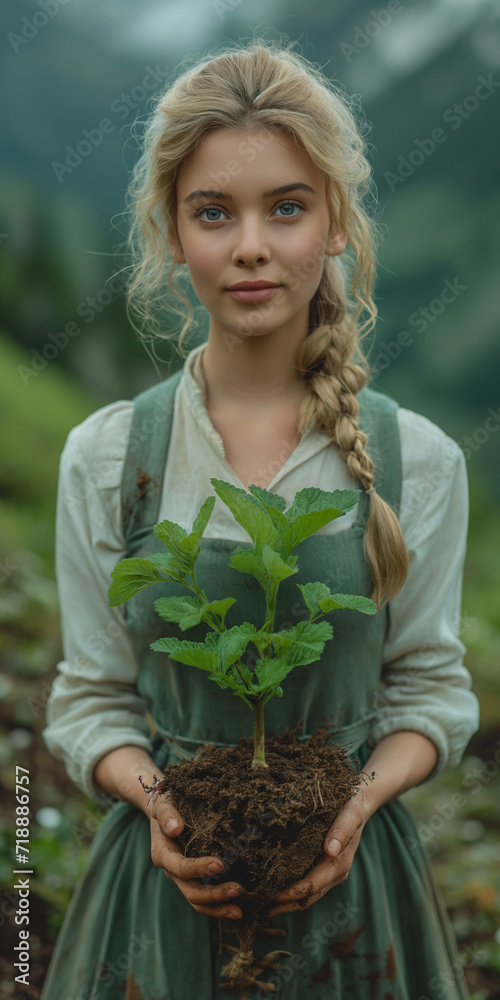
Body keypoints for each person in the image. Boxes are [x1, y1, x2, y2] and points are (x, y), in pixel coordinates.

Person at [41, 38, 479, 1000]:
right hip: (159, 911)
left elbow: (430, 693)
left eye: (286, 207)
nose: (249, 245)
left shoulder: (420, 465)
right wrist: (158, 805)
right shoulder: (110, 459)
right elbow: (90, 699)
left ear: (333, 225)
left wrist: (353, 808)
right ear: (170, 234)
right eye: (213, 212)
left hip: (358, 897)